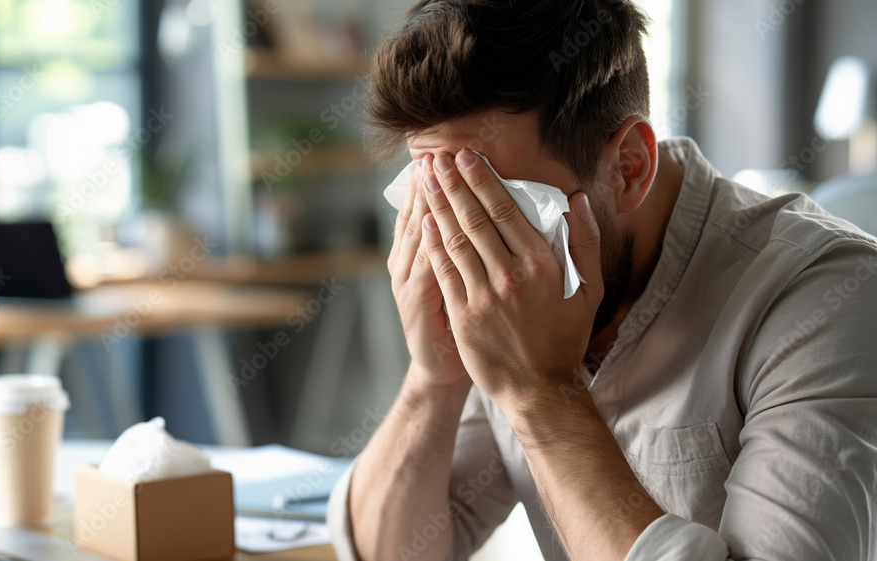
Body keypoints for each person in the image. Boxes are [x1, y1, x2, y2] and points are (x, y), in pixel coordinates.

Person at [325, 1, 877, 560]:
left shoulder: (825, 297)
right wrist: (433, 379)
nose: (467, 248)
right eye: (439, 200)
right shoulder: (495, 293)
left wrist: (542, 392)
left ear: (629, 166)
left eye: (503, 211)